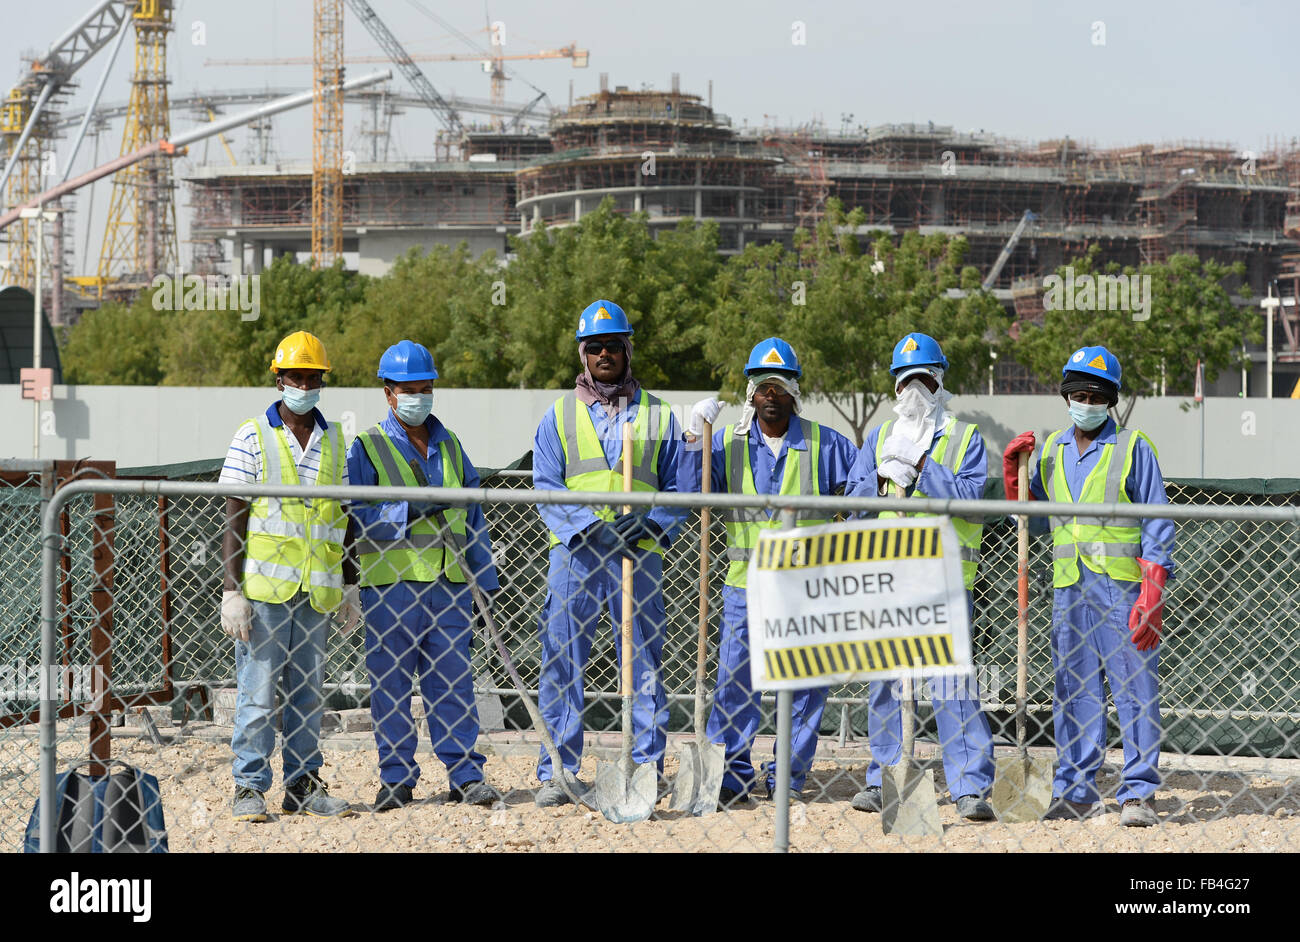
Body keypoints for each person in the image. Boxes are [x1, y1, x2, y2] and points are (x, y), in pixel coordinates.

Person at [678, 337, 858, 806]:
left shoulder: (828, 444)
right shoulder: (725, 445)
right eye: (762, 386)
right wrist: (694, 439)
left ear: (794, 391)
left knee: (803, 689)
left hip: (807, 589)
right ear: (750, 393)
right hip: (745, 589)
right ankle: (731, 778)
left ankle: (786, 778)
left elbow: (861, 505)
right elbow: (688, 489)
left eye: (779, 386)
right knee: (735, 686)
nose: (771, 395)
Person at [1002, 345, 1174, 827]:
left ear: (1111, 399)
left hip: (1123, 593)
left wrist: (1152, 590)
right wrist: (1016, 478)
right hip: (1069, 589)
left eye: (1097, 394)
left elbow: (1158, 520)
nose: (1087, 401)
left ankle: (1138, 793)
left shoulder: (1134, 446)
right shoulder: (1053, 449)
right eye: (1079, 393)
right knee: (1075, 690)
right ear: (1066, 395)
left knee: (1135, 689)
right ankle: (1075, 791)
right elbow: (1032, 519)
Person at [530, 300, 688, 807]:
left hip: (638, 556)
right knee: (562, 661)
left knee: (643, 661)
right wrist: (591, 530)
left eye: (613, 346)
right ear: (582, 353)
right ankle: (559, 770)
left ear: (627, 351)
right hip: (576, 557)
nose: (604, 354)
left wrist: (651, 524)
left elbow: (683, 488)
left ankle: (645, 766)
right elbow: (546, 486)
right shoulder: (558, 415)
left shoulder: (659, 413)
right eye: (594, 347)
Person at [845, 332, 997, 821]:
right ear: (894, 384)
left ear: (940, 380)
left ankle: (969, 786)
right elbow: (853, 504)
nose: (914, 387)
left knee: (952, 684)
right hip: (888, 579)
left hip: (942, 580)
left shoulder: (965, 437)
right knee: (887, 682)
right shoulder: (878, 438)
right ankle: (884, 777)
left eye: (923, 378)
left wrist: (924, 470)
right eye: (905, 378)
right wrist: (881, 475)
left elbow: (974, 503)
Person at [346, 340, 502, 810]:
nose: (420, 397)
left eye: (426, 388)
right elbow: (355, 514)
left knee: (452, 682)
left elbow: (473, 516)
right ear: (389, 393)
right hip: (392, 585)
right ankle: (397, 779)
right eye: (411, 390)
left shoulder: (450, 444)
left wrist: (486, 581)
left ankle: (465, 774)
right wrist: (407, 510)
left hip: (450, 585)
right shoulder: (367, 446)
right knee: (390, 684)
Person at [219, 330, 359, 822]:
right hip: (265, 591)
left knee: (308, 692)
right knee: (258, 692)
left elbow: (344, 516)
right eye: (297, 376)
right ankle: (248, 787)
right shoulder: (252, 435)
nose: (305, 384)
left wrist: (350, 583)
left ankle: (302, 783)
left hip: (317, 590)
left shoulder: (337, 439)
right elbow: (235, 515)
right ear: (279, 378)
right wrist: (230, 590)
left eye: (313, 376)